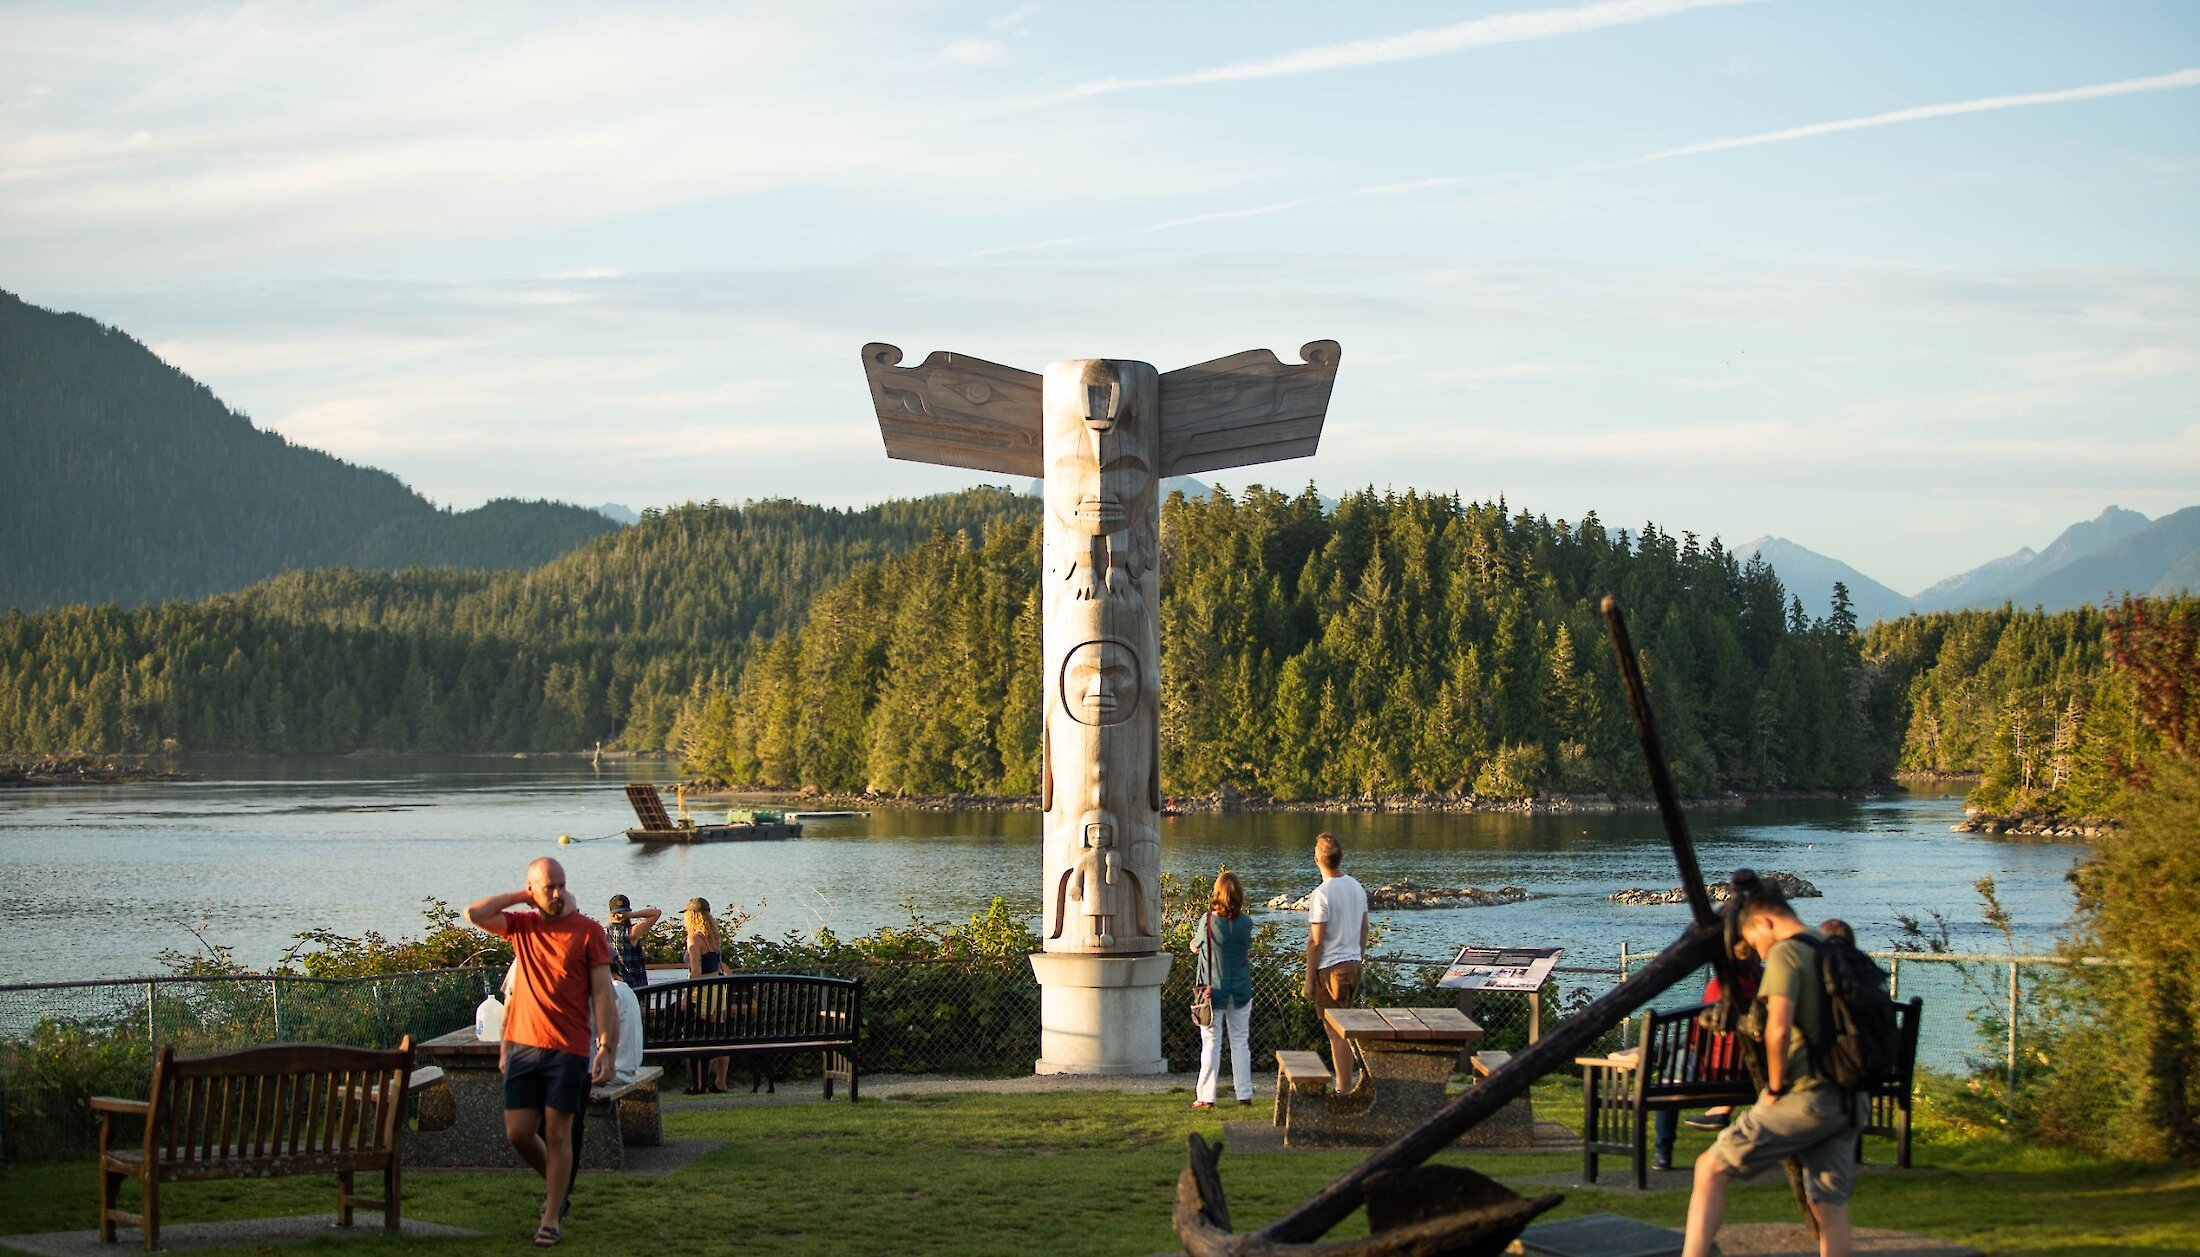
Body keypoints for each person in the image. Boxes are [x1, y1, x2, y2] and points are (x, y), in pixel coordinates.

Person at [1683, 884, 1863, 1257]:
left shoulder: (1787, 952)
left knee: (1710, 1168)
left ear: (1764, 922)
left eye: (1753, 939)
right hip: (1850, 1097)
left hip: (1807, 1096)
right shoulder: (1830, 946)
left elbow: (1777, 1027)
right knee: (1829, 1205)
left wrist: (1775, 1089)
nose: (1756, 952)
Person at [467, 857, 616, 1248]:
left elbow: (603, 994)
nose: (557, 893)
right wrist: (522, 897)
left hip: (568, 1049)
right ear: (533, 890)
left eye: (561, 885)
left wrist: (606, 1047)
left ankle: (550, 1217)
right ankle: (557, 1184)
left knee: (558, 1132)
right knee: (518, 1133)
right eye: (548, 887)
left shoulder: (589, 932)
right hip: (523, 1048)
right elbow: (474, 913)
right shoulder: (523, 928)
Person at [1302, 832, 1369, 1093]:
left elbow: (1316, 941)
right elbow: (1364, 927)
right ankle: (1345, 1084)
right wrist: (1359, 956)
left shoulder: (1322, 894)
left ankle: (1343, 1089)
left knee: (1336, 1032)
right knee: (1343, 1030)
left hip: (1331, 970)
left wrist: (1309, 979)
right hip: (1352, 964)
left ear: (1317, 858)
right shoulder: (1355, 886)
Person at [1191, 869, 1256, 1110]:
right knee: (1240, 1042)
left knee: (1211, 1043)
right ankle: (1244, 1094)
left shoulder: (1207, 921)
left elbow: (1196, 946)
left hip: (1212, 991)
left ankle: (1206, 1096)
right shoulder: (1246, 923)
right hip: (1240, 988)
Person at [683, 897, 729, 1094]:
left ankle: (699, 1084)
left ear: (691, 916)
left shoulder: (694, 939)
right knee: (715, 1035)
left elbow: (696, 972)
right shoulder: (714, 938)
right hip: (719, 989)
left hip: (702, 991)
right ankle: (719, 1082)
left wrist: (686, 994)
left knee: (697, 1038)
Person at [605, 895, 661, 990]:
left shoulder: (604, 932)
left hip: (615, 987)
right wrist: (631, 914)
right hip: (636, 987)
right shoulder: (631, 933)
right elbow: (656, 913)